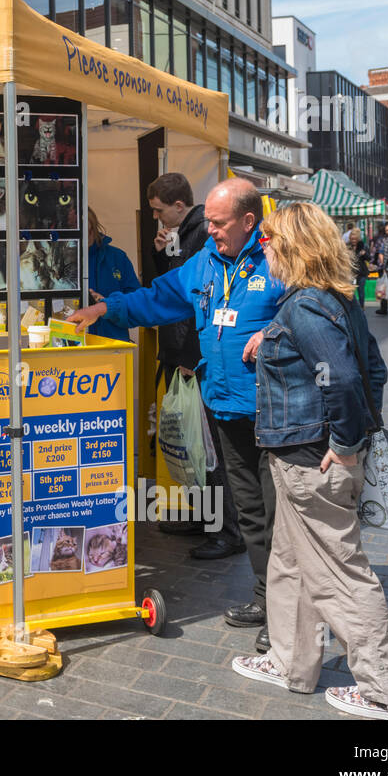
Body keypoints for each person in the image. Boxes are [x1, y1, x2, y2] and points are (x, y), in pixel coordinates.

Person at [70, 178, 283, 652]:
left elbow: (316, 307)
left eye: (219, 223)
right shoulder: (204, 262)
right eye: (207, 222)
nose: (209, 231)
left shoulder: (278, 260)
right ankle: (267, 599)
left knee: (280, 517)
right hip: (225, 409)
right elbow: (156, 298)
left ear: (249, 222)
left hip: (276, 414)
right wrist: (105, 306)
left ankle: (289, 616)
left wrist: (274, 331)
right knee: (250, 513)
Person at [231, 202, 388, 720]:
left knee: (340, 572)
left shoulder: (305, 306)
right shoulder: (334, 301)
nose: (261, 249)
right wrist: (270, 336)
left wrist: (346, 441)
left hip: (312, 459)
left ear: (289, 247)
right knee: (290, 562)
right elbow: (373, 370)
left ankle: (386, 693)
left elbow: (345, 378)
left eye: (267, 241)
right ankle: (291, 662)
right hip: (305, 455)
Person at [144, 173, 244, 560]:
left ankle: (226, 530)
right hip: (181, 353)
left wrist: (190, 358)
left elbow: (200, 301)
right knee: (190, 443)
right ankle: (207, 519)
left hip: (193, 358)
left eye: (159, 211)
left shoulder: (202, 234)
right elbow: (171, 290)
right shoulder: (184, 235)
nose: (157, 218)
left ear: (179, 206)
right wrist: (161, 255)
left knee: (206, 449)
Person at [83, 205, 141, 341]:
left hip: (112, 343)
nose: (86, 238)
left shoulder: (117, 257)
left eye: (88, 231)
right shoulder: (60, 260)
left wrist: (107, 304)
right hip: (73, 343)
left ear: (94, 226)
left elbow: (136, 301)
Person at [369, 223, 388, 316]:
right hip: (382, 267)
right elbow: (374, 251)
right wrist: (372, 262)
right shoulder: (381, 240)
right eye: (387, 230)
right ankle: (384, 308)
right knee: (382, 287)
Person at [347, 229, 368, 306]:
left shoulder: (363, 246)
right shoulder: (347, 246)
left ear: (358, 238)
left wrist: (364, 254)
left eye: (355, 239)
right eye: (352, 239)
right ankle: (351, 306)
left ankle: (361, 306)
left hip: (361, 272)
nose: (353, 241)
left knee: (361, 291)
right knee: (350, 291)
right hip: (351, 272)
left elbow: (369, 258)